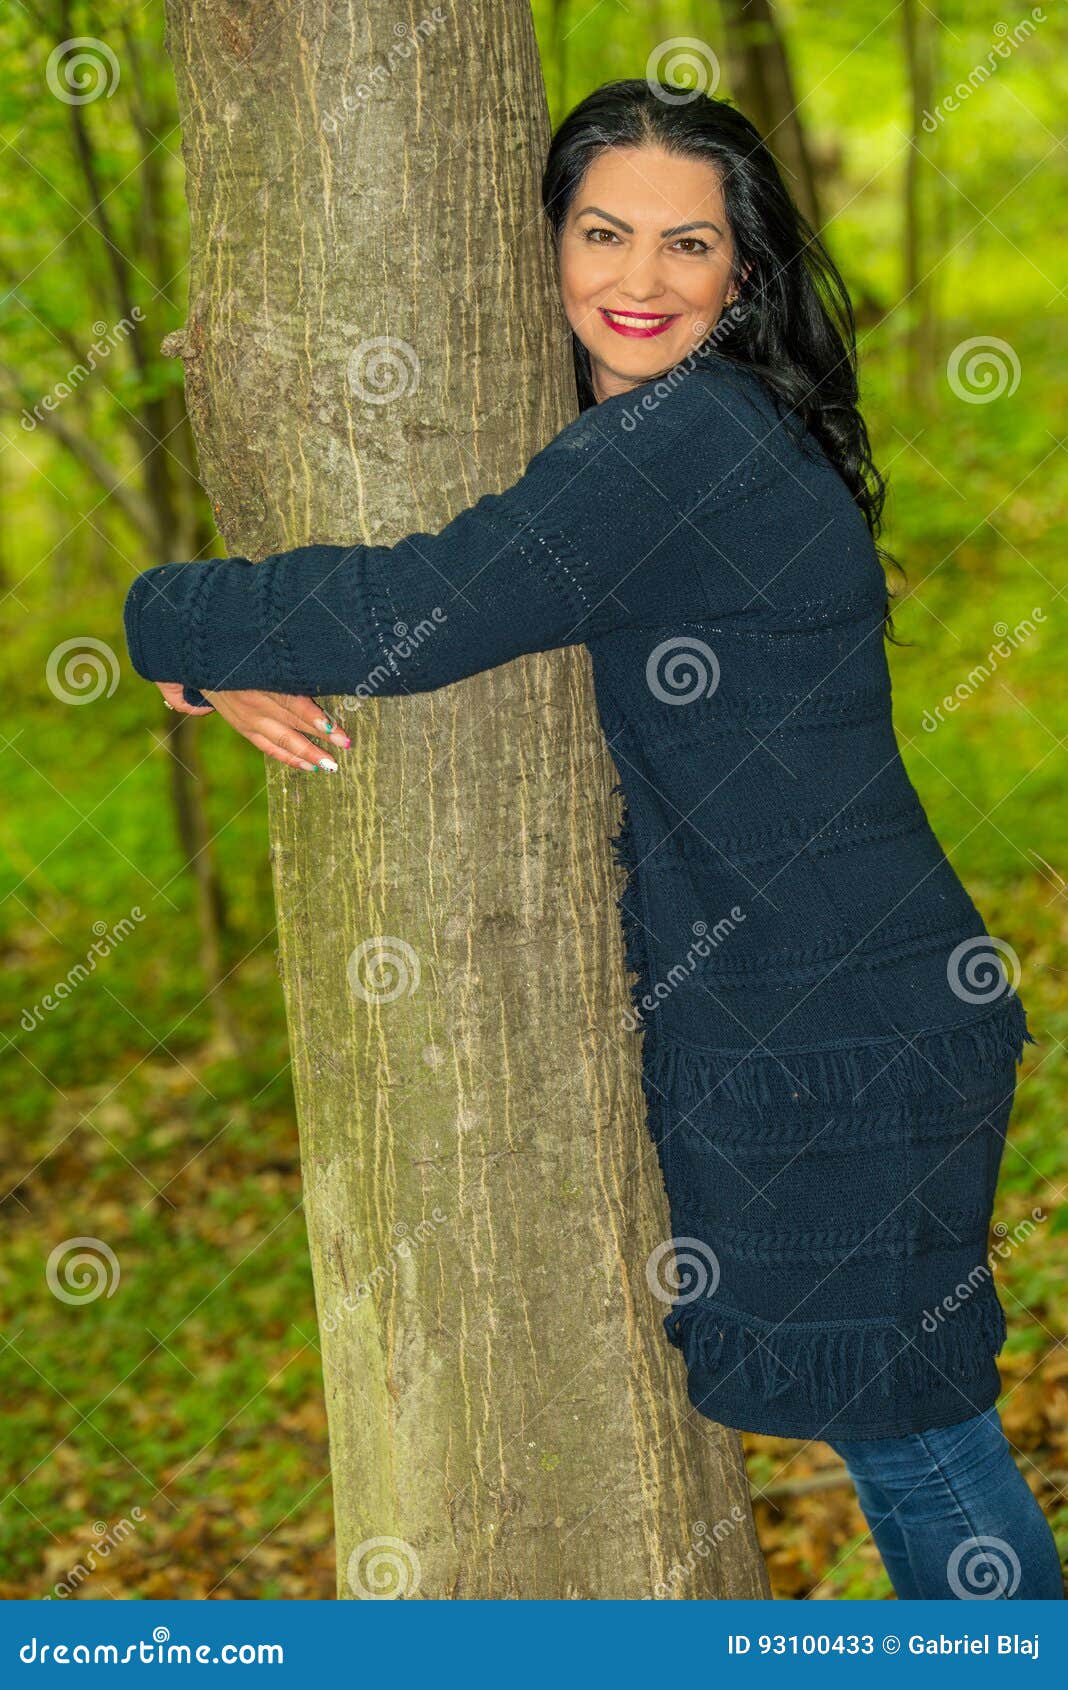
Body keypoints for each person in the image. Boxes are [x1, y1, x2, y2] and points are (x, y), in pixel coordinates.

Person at [123, 80, 1063, 1601]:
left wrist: (169, 619)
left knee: (917, 1436)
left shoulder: (683, 445)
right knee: (907, 1422)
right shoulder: (699, 428)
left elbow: (413, 611)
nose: (638, 281)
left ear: (743, 270)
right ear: (542, 246)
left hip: (837, 1023)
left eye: (687, 244)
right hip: (843, 999)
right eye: (601, 232)